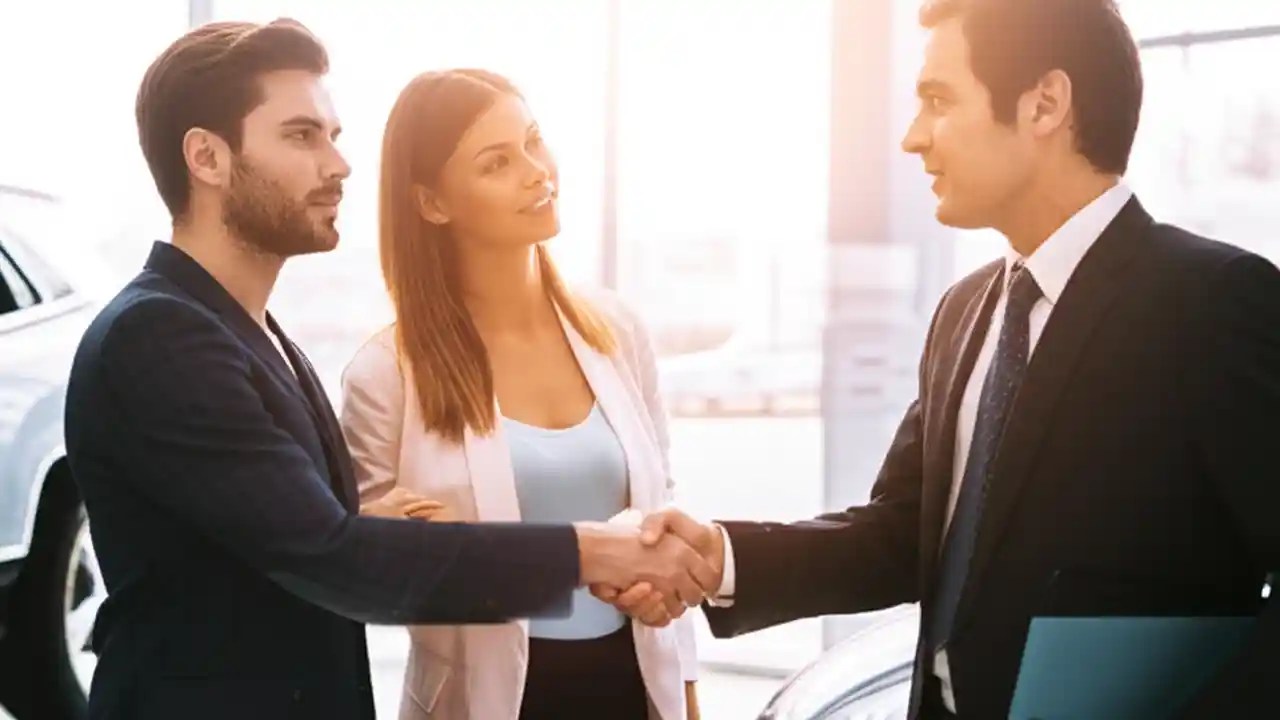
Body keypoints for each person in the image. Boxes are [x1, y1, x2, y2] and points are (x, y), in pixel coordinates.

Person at [615, 0, 1280, 717]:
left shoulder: (1212, 302)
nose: (912, 139)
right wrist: (723, 557)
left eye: (938, 100)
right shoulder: (965, 311)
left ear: (1045, 104)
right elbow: (907, 535)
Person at [64, 20, 717, 720]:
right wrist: (593, 552)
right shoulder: (160, 335)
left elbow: (285, 538)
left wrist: (364, 524)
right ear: (207, 157)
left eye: (333, 137)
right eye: (301, 136)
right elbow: (333, 560)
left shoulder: (253, 333)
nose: (339, 165)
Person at [339, 68, 699, 720]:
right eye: (497, 162)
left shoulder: (616, 332)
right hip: (489, 704)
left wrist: (665, 601)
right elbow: (371, 576)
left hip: (633, 688)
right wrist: (427, 552)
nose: (537, 171)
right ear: (431, 203)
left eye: (534, 142)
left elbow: (663, 513)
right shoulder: (384, 373)